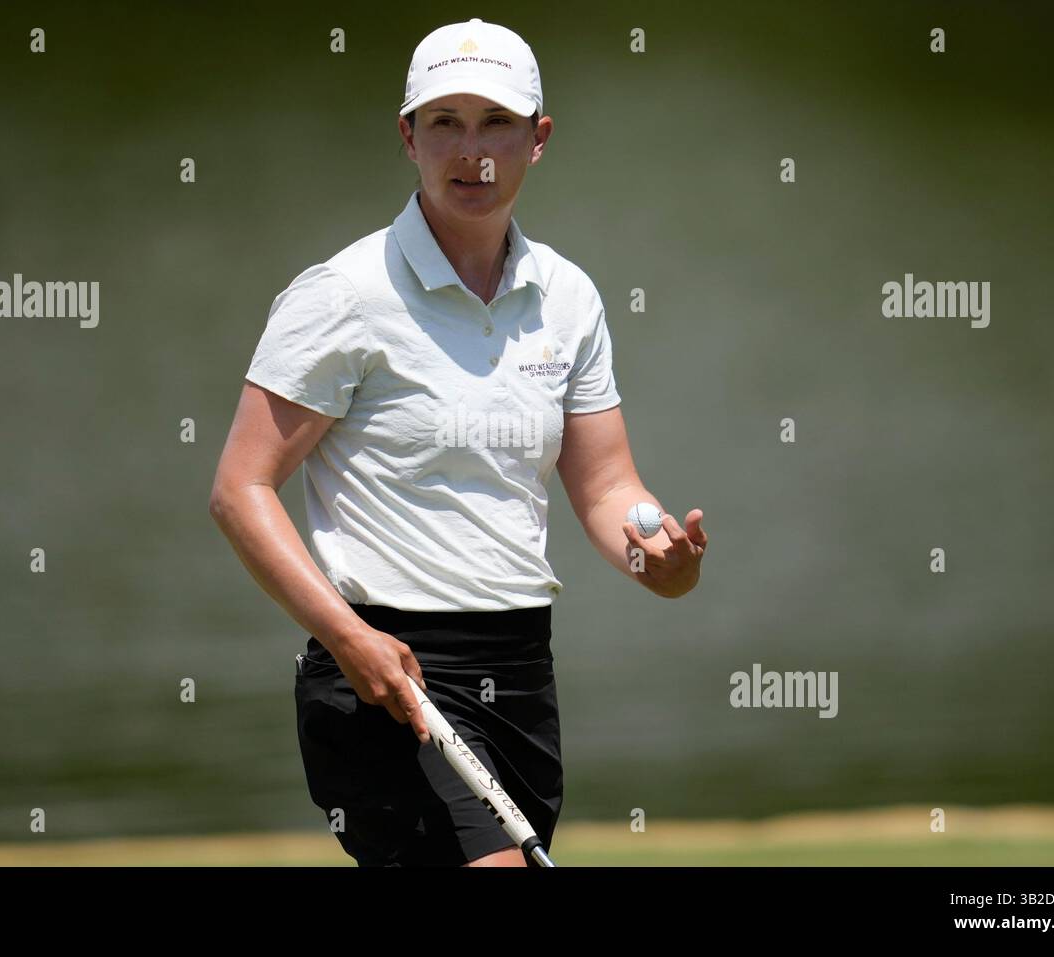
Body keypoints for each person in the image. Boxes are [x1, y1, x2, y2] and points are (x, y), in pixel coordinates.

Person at [209, 17, 706, 867]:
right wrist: (345, 635)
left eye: (495, 123)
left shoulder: (569, 298)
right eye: (445, 122)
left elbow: (605, 487)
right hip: (384, 670)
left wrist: (658, 553)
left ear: (537, 139)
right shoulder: (344, 295)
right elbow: (240, 489)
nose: (470, 149)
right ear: (409, 137)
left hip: (519, 669)